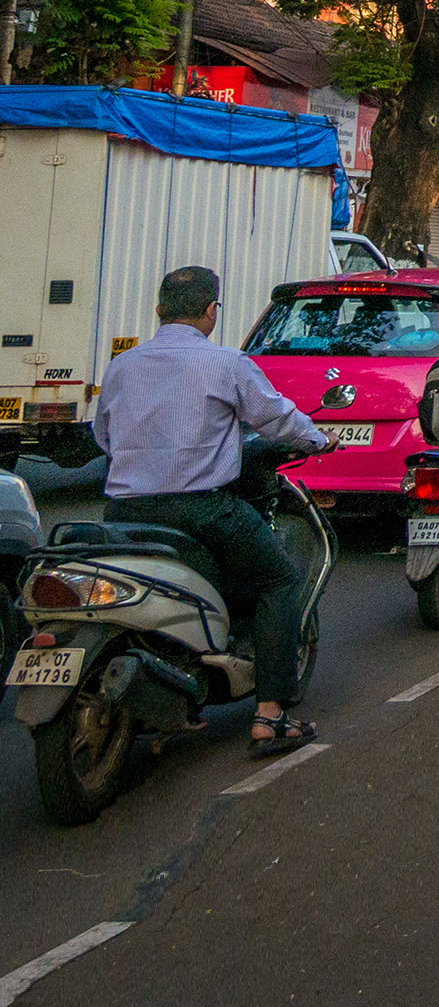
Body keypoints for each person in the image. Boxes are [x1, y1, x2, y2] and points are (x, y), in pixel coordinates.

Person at [93, 267, 338, 755]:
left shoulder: (123, 365)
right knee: (279, 579)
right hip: (201, 510)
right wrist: (320, 439)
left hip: (122, 512)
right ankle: (270, 716)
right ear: (210, 312)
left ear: (159, 311)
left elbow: (104, 435)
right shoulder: (226, 363)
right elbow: (276, 417)